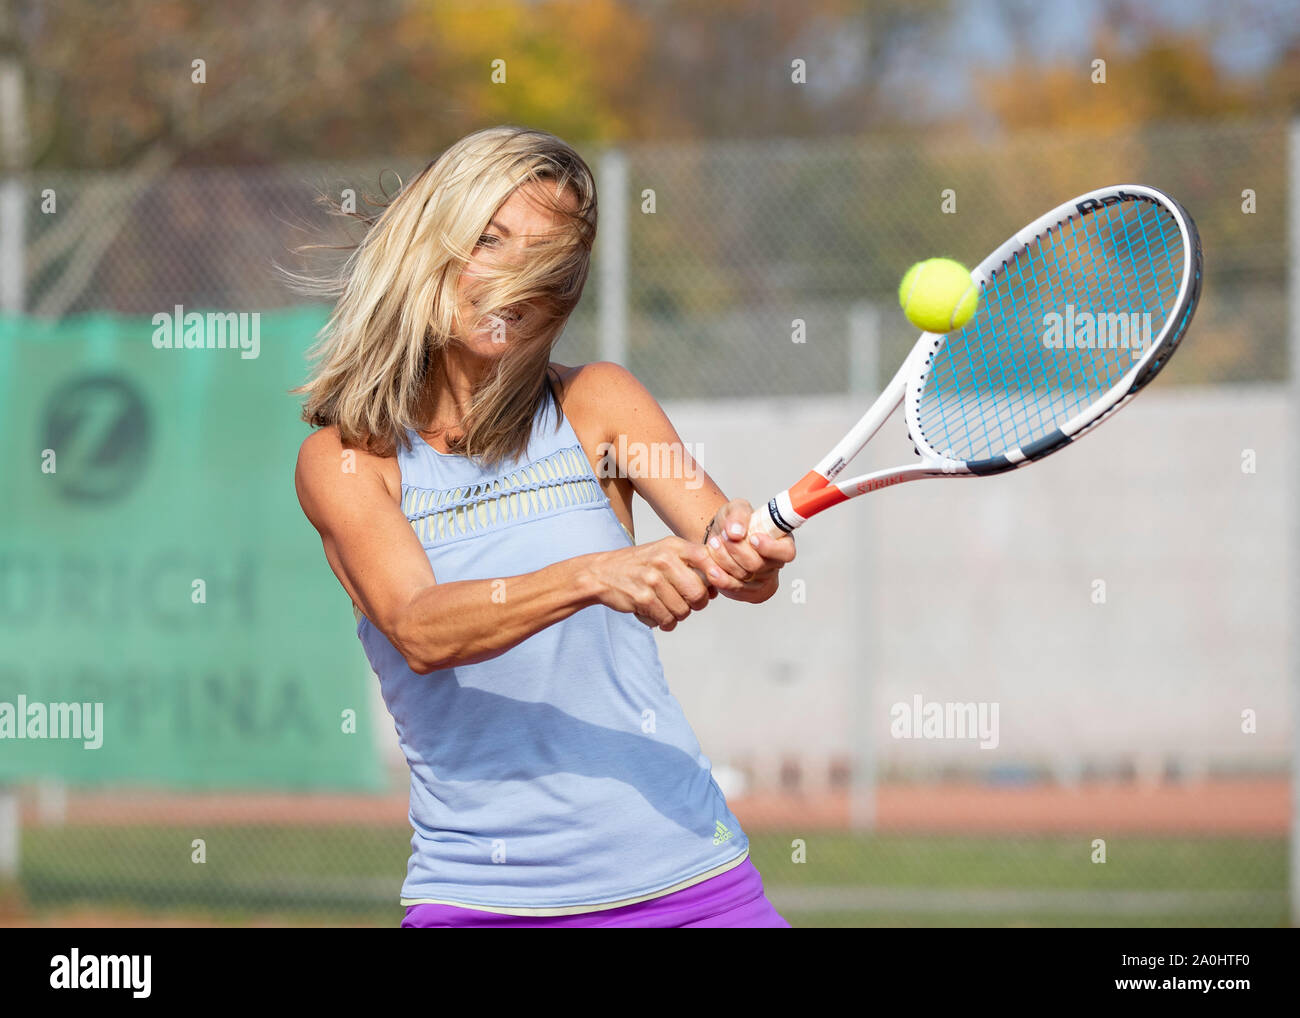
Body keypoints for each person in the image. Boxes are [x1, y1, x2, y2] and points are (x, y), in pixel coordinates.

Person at [293, 125, 795, 927]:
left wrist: (747, 550)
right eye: (490, 240)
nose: (512, 279)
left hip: (690, 883)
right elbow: (420, 629)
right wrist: (596, 575)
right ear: (431, 245)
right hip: (478, 900)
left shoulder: (601, 403)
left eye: (545, 260)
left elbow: (736, 558)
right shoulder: (347, 460)